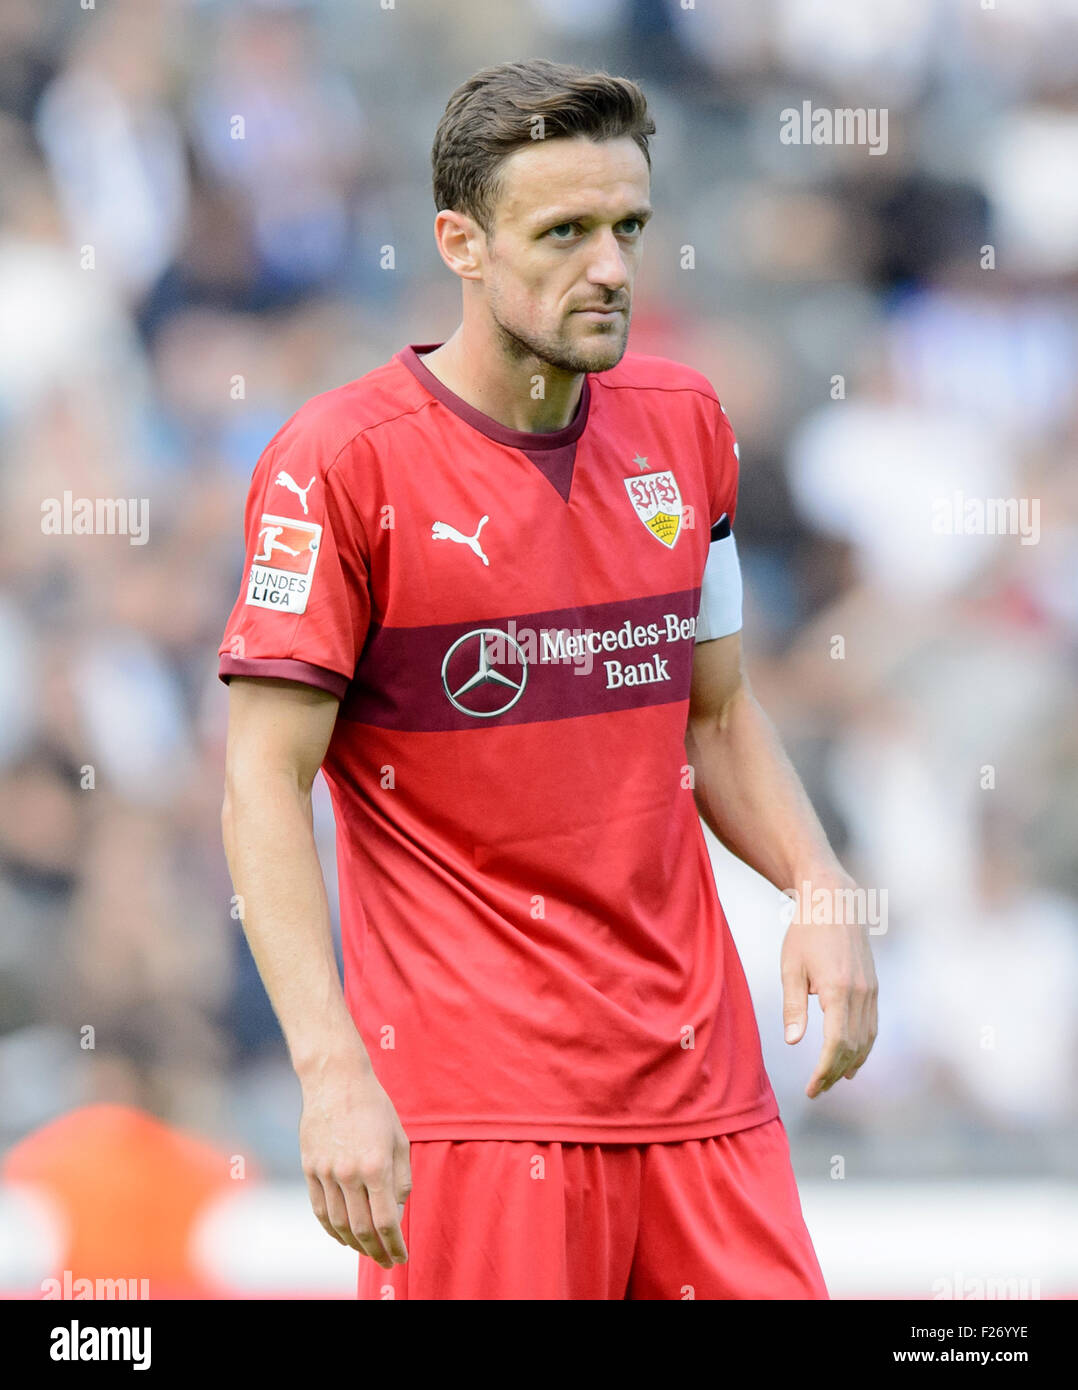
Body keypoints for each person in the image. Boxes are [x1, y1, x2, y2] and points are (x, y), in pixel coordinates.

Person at [218, 59, 877, 1300]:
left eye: (628, 227)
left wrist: (821, 882)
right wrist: (331, 1070)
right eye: (563, 232)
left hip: (700, 1087)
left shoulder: (684, 423)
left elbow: (718, 713)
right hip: (477, 1107)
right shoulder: (339, 465)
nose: (613, 266)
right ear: (459, 243)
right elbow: (262, 782)